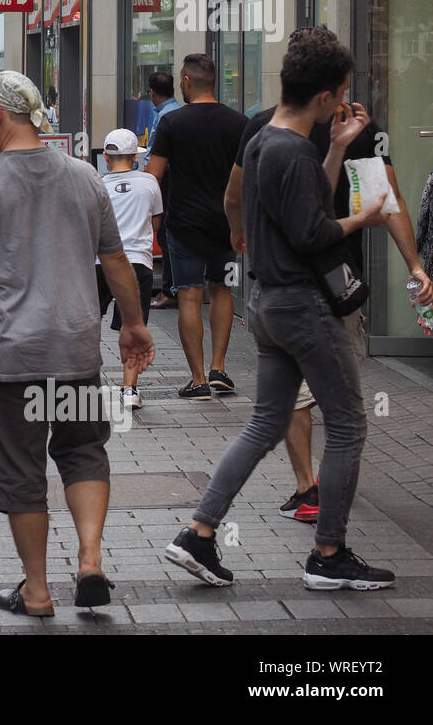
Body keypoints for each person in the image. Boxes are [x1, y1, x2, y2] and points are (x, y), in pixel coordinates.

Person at [164, 32, 396, 593]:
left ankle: (198, 532)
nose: (340, 104)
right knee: (347, 424)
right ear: (323, 95)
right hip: (302, 304)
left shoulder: (266, 138)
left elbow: (301, 199)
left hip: (267, 301)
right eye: (339, 94)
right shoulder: (291, 151)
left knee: (266, 421)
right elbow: (314, 230)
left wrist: (338, 147)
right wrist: (364, 219)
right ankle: (329, 552)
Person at [0, 71, 153, 616]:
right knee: (82, 452)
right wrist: (133, 323)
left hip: (16, 358)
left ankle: (37, 590)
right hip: (76, 351)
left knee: (22, 470)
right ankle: (91, 560)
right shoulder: (85, 177)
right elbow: (116, 259)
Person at [225, 27, 433, 522]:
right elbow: (388, 201)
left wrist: (239, 234)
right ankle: (326, 533)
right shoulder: (353, 129)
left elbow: (234, 196)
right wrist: (415, 264)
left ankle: (304, 487)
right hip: (334, 287)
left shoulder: (260, 127)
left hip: (275, 290)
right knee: (344, 411)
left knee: (286, 404)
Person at [145, 54, 247, 399]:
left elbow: (153, 177)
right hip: (226, 224)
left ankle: (198, 378)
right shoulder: (239, 123)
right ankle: (219, 367)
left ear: (186, 82)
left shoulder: (172, 123)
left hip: (184, 223)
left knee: (189, 294)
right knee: (221, 290)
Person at [97, 129, 163, 411]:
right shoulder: (149, 182)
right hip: (137, 262)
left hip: (99, 262)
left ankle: (85, 384)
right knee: (134, 326)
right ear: (135, 156)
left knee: (88, 323)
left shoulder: (97, 184)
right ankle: (129, 390)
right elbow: (155, 223)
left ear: (106, 157)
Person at [143, 71, 182, 309]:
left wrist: (148, 187)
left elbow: (157, 155)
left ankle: (170, 290)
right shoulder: (176, 111)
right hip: (176, 182)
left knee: (165, 234)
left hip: (165, 182)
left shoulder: (165, 116)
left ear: (152, 92)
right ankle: (174, 286)